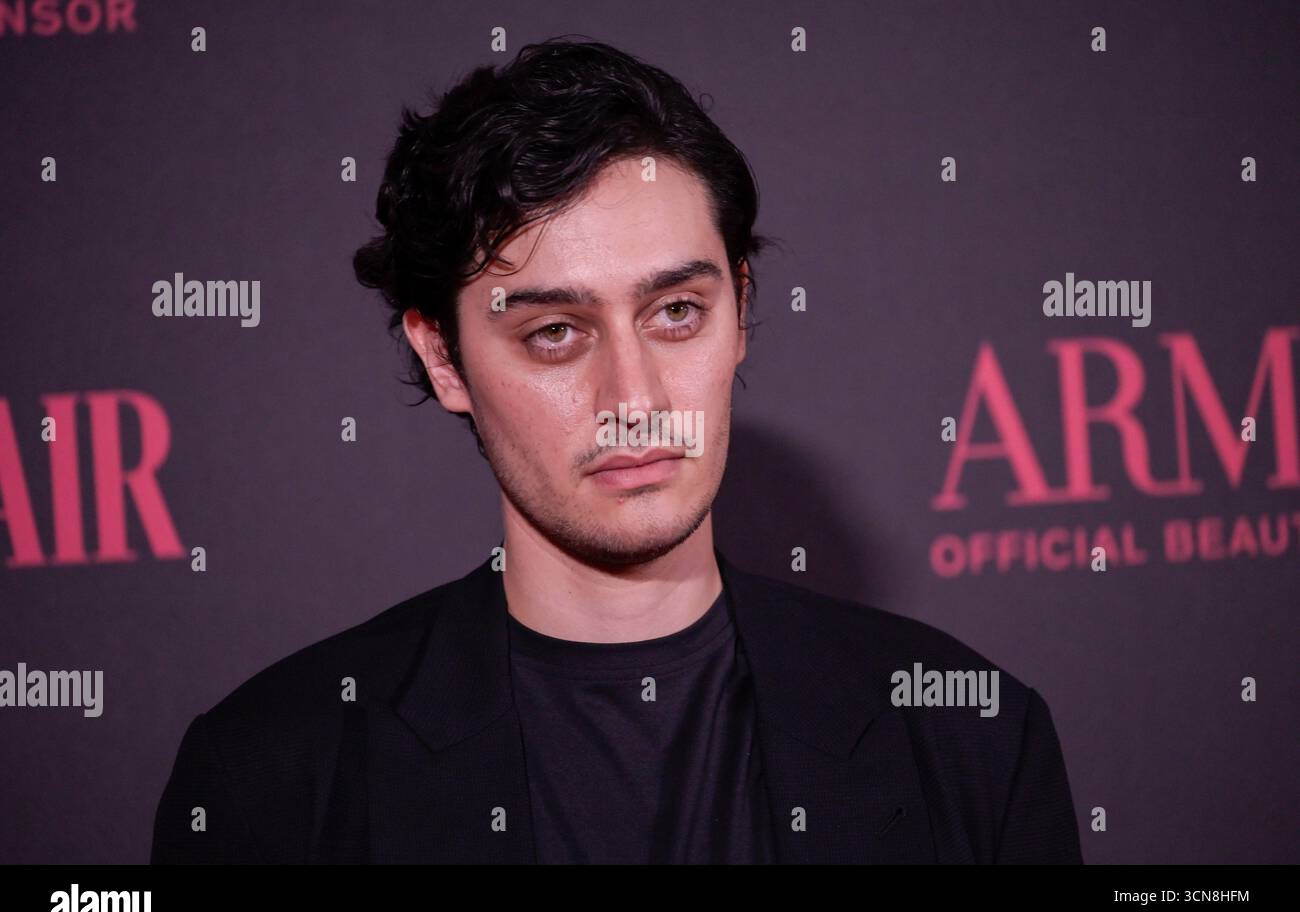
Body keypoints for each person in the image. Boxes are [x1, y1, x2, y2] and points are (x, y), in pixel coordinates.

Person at [151, 36, 1082, 864]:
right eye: (556, 332)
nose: (633, 400)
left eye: (677, 312)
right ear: (444, 357)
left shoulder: (971, 739)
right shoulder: (271, 779)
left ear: (743, 310)